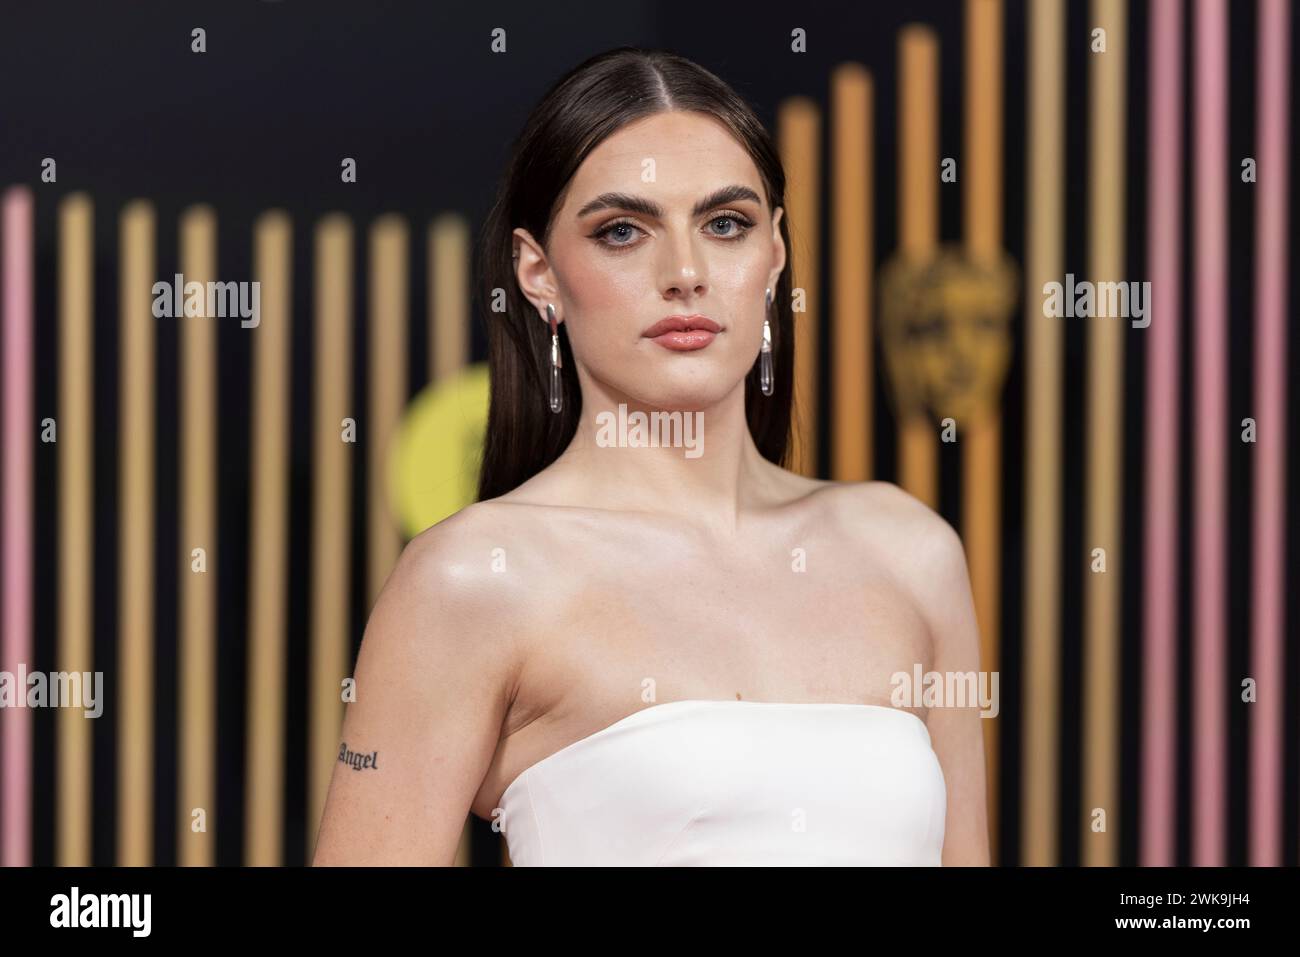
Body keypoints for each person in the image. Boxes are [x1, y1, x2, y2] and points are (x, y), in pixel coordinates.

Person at [312, 46, 989, 866]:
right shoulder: (476, 577)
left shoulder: (909, 550)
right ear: (539, 274)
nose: (685, 273)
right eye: (623, 231)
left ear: (773, 255)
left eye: (725, 224)